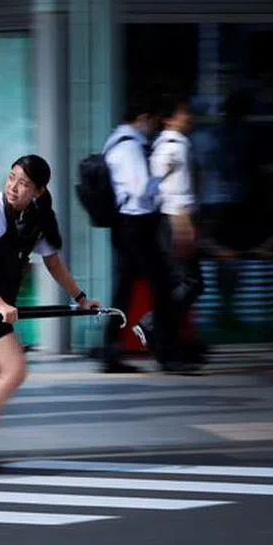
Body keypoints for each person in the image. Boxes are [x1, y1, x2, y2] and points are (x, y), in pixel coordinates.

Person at [0, 155, 100, 472]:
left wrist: (81, 298)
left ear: (39, 191)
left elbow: (53, 263)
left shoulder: (38, 216)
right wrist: (0, 304)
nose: (13, 187)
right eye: (11, 177)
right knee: (15, 371)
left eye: (24, 183)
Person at [101, 89, 172, 373]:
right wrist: (162, 178)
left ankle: (110, 350)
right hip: (136, 225)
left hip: (127, 226)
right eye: (154, 120)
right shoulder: (129, 146)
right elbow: (141, 189)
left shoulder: (115, 140)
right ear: (143, 118)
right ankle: (165, 351)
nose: (155, 126)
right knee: (162, 287)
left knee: (124, 291)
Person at [140, 92, 205, 369]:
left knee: (185, 282)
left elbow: (155, 186)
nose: (188, 116)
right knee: (191, 282)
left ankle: (162, 332)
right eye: (182, 112)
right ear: (168, 119)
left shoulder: (166, 145)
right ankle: (154, 325)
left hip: (170, 218)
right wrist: (181, 223)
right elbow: (171, 189)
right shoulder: (174, 145)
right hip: (175, 219)